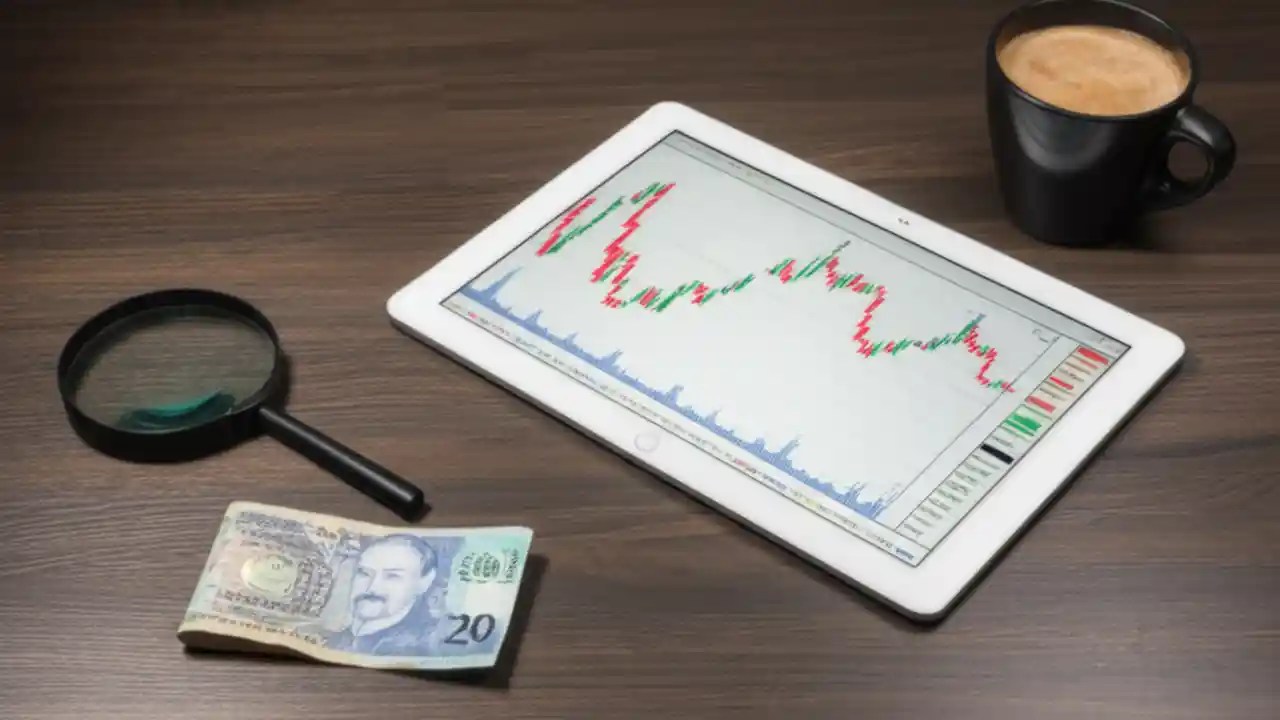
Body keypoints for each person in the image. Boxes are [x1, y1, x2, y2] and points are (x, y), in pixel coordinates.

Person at [327, 534, 440, 655]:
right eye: (364, 573)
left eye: (392, 576)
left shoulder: (418, 648)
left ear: (424, 582)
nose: (372, 587)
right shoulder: (335, 638)